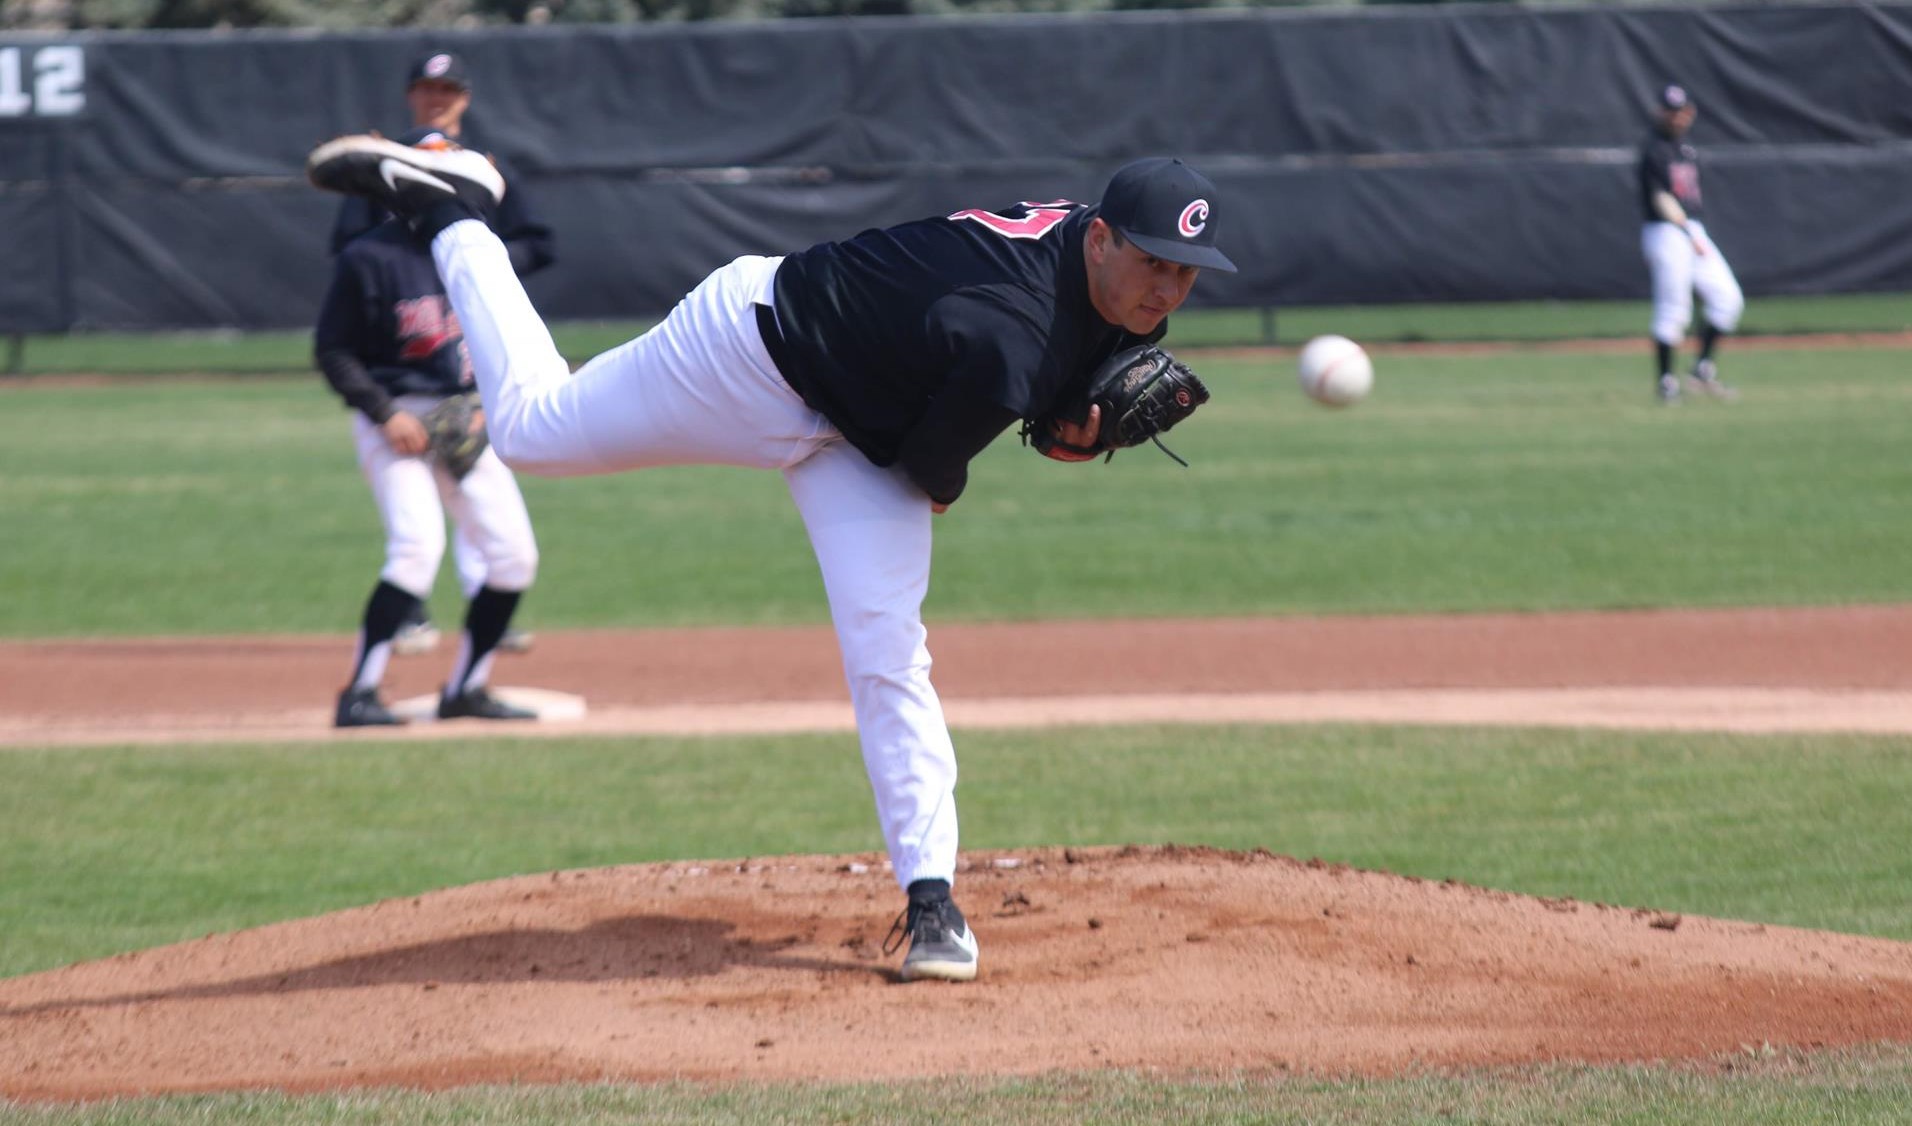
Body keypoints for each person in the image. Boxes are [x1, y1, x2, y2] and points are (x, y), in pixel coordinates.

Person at [306, 134, 1236, 981]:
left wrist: (1060, 403)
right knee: (530, 432)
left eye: (1185, 272)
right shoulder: (1010, 333)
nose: (1165, 291)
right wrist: (1059, 429)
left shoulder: (1096, 280)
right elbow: (930, 469)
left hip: (862, 424)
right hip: (748, 356)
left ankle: (932, 903)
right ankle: (456, 212)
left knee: (888, 648)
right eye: (1152, 261)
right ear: (1100, 238)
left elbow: (1001, 379)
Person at [331, 50, 555, 654]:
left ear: (464, 98)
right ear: (411, 95)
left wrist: (476, 268)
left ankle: (487, 613)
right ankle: (410, 615)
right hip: (403, 370)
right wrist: (408, 264)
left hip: (464, 361)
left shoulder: (481, 171)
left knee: (489, 515)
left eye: (447, 89)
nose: (437, 97)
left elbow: (539, 243)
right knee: (416, 529)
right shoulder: (383, 172)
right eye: (427, 88)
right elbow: (349, 249)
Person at [317, 202, 542, 729]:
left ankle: (466, 688)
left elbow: (506, 339)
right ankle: (359, 693)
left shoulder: (478, 252)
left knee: (513, 557)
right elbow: (333, 350)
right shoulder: (370, 256)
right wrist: (383, 413)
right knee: (417, 548)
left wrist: (489, 404)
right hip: (396, 419)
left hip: (465, 418)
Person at [1639, 83, 1744, 403]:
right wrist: (1686, 231)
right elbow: (1661, 198)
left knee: (1727, 299)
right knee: (1674, 309)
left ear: (1690, 112)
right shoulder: (1654, 150)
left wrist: (1692, 233)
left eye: (1681, 110)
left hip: (1691, 229)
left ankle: (1701, 370)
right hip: (1667, 230)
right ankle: (1666, 384)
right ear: (1660, 112)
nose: (1677, 116)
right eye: (1670, 111)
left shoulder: (1685, 147)